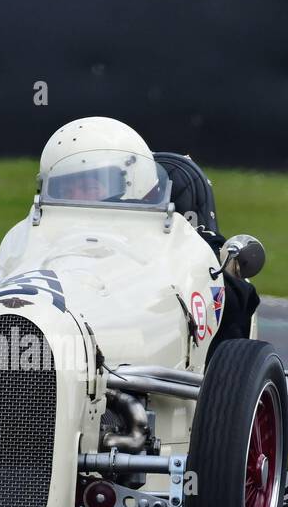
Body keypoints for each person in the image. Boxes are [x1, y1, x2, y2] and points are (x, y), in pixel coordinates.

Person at [38, 117, 259, 344]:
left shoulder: (181, 239)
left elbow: (236, 301)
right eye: (65, 188)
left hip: (135, 344)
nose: (76, 198)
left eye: (89, 186)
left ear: (133, 180)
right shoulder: (42, 237)